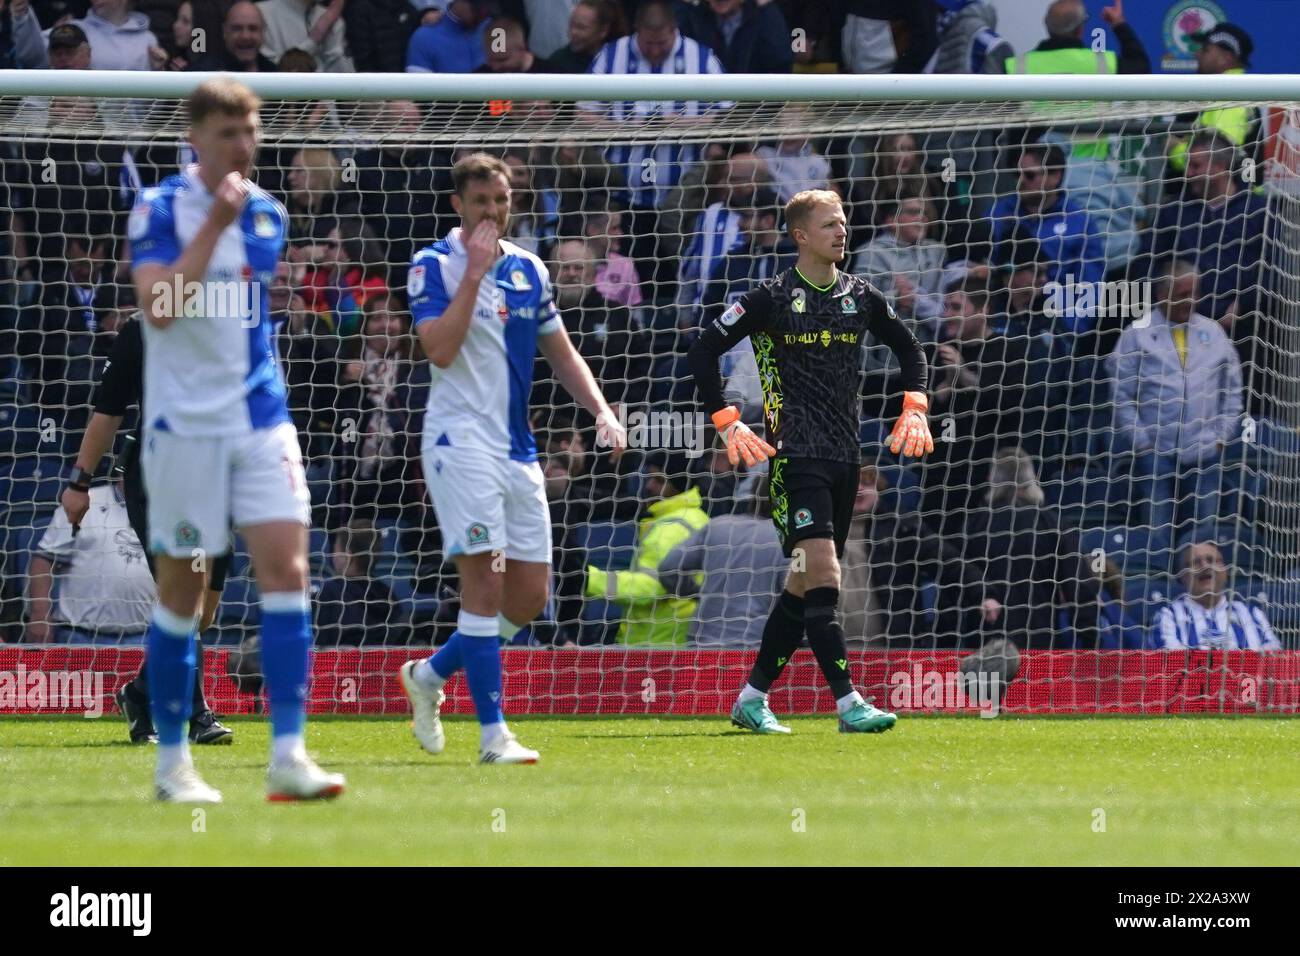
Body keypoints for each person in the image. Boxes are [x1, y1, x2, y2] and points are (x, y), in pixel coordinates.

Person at [128, 77, 344, 802]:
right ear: (195, 138)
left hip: (259, 421)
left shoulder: (269, 216)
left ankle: (288, 755)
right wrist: (213, 227)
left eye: (250, 132)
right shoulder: (159, 210)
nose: (243, 146)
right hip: (185, 429)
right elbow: (159, 309)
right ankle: (172, 765)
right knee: (183, 595)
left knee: (287, 573)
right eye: (228, 133)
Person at [399, 152, 628, 764]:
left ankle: (428, 675)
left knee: (527, 597)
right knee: (484, 583)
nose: (493, 213)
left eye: (501, 201)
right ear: (457, 205)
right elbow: (439, 352)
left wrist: (601, 411)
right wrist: (472, 275)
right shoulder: (432, 266)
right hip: (459, 445)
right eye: (481, 203)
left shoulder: (530, 270)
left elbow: (562, 352)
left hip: (517, 449)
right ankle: (493, 733)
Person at [687, 188, 933, 734]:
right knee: (824, 573)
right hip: (794, 458)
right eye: (829, 225)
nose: (842, 232)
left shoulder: (861, 296)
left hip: (847, 457)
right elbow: (702, 349)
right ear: (801, 235)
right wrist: (726, 419)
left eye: (843, 223)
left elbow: (910, 348)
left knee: (804, 588)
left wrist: (914, 406)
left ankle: (751, 699)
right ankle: (849, 704)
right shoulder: (769, 298)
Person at [58, 311, 233, 744]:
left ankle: (138, 693)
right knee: (184, 598)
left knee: (203, 613)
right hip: (158, 476)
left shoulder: (235, 323)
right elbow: (108, 411)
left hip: (218, 476)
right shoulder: (141, 329)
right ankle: (197, 717)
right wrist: (79, 483)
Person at [1107, 259, 1244, 548]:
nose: (1191, 301)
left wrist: (1221, 437)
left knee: (1202, 539)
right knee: (1156, 537)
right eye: (1183, 294)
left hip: (1205, 453)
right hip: (1155, 453)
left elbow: (1233, 392)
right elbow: (1121, 395)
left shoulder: (1214, 332)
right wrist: (1142, 441)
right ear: (1161, 295)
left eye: (1194, 292)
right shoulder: (1136, 334)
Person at [657, 476, 786, 647]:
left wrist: (699, 593)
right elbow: (795, 596)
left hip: (702, 642)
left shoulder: (717, 525)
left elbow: (668, 568)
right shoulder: (786, 538)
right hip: (755, 645)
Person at [28, 471, 154, 645]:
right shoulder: (84, 501)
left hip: (147, 636)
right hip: (82, 636)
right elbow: (43, 559)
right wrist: (39, 614)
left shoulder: (166, 510)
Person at [1153, 541, 1281, 651]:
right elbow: (1171, 663)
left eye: (1211, 560)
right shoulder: (1168, 616)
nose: (1204, 566)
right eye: (1196, 562)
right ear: (1183, 576)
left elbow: (1274, 654)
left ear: (1225, 571)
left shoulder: (1252, 613)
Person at [678, 0, 793, 74]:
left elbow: (781, 60)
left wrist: (767, 7)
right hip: (707, 106)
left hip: (751, 106)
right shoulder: (694, 18)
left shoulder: (762, 17)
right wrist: (684, 5)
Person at [256, 0, 354, 72]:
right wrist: (314, 39)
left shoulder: (331, 18)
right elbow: (274, 73)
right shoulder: (261, 14)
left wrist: (334, 50)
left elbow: (350, 87)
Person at [188, 1, 279, 72]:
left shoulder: (275, 74)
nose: (245, 36)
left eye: (253, 28)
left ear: (263, 32)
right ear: (224, 32)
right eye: (237, 28)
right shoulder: (201, 73)